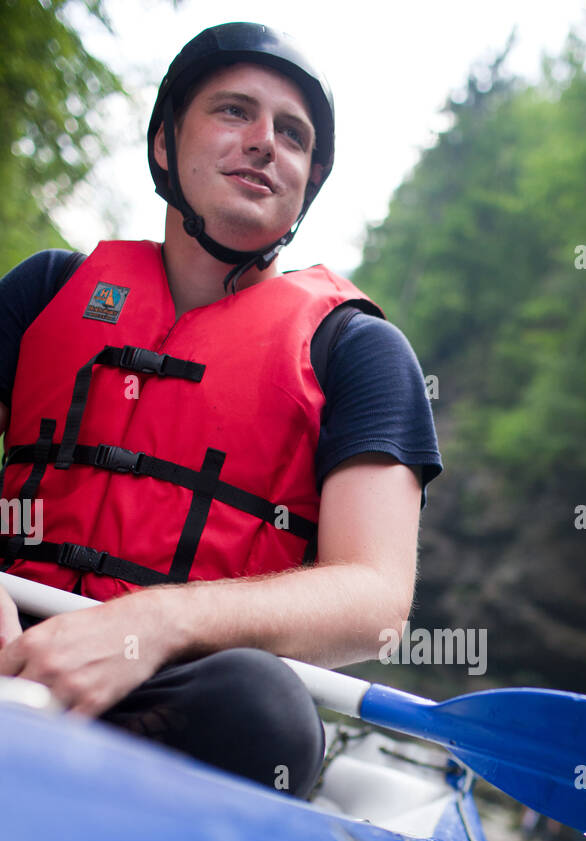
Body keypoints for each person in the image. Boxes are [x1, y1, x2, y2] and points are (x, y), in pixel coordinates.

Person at [0, 21, 441, 798]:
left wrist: (152, 627)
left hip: (179, 688)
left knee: (264, 708)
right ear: (166, 144)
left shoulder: (359, 352)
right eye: (234, 111)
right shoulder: (45, 292)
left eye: (293, 134)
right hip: (13, 631)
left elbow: (374, 599)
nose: (266, 142)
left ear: (307, 180)